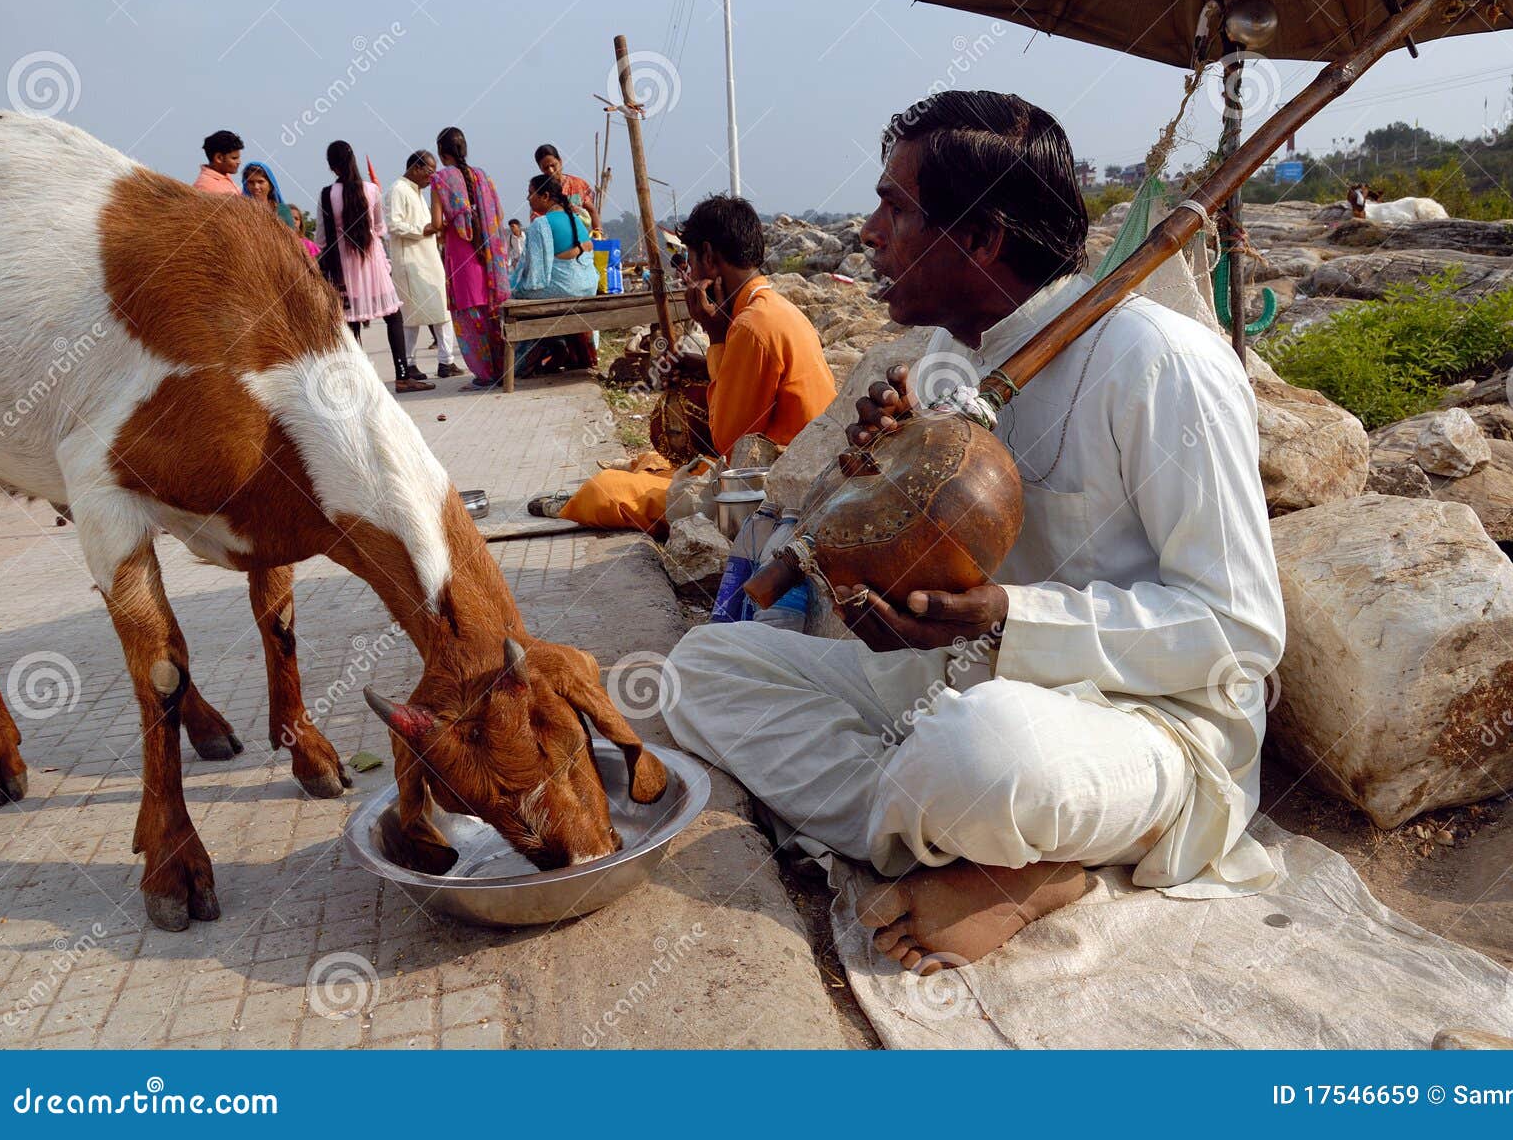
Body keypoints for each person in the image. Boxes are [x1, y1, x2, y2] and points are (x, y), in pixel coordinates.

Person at [660, 91, 1287, 974]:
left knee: (976, 750)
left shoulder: (1159, 361)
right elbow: (923, 576)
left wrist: (1008, 616)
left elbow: (1241, 633)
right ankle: (985, 841)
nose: (871, 232)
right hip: (964, 681)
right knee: (700, 669)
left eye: (898, 208)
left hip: (1150, 726)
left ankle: (1009, 847)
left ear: (985, 238)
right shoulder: (952, 369)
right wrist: (877, 498)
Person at [536, 194, 835, 534]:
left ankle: (576, 503)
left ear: (708, 256)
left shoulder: (750, 326)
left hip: (780, 488)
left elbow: (730, 443)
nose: (688, 273)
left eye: (690, 261)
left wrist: (715, 333)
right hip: (802, 466)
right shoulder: (770, 306)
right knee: (653, 467)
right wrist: (705, 363)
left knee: (608, 490)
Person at [319, 139, 430, 393]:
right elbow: (380, 228)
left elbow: (323, 239)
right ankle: (402, 376)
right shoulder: (371, 190)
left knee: (350, 323)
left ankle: (358, 382)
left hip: (343, 269)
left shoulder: (327, 194)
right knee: (393, 317)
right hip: (373, 265)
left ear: (331, 167)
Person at [431, 126, 510, 390]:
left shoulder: (440, 179)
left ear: (442, 153)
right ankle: (502, 368)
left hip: (461, 254)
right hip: (487, 256)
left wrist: (427, 229)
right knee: (490, 313)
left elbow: (436, 223)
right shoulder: (483, 177)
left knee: (468, 317)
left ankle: (485, 374)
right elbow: (497, 214)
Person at [511, 173, 599, 375]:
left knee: (515, 295)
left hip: (564, 288)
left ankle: (530, 358)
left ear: (545, 196)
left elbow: (534, 277)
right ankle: (561, 348)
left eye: (530, 194)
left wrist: (512, 286)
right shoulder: (575, 218)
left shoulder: (540, 224)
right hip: (587, 287)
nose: (528, 199)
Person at [388, 150, 463, 380]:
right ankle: (409, 365)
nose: (432, 178)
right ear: (416, 168)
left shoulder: (417, 192)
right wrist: (423, 230)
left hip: (428, 260)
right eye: (429, 172)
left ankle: (446, 361)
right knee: (411, 316)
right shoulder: (398, 190)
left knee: (442, 310)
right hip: (410, 262)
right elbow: (393, 225)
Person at [532, 143, 600, 233]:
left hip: (580, 238)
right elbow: (536, 220)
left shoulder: (578, 184)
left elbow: (591, 211)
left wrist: (598, 232)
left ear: (560, 161)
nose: (551, 170)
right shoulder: (540, 191)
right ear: (540, 169)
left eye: (553, 165)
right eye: (546, 168)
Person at [193, 130, 243, 194]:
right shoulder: (205, 186)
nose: (239, 162)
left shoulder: (224, 177)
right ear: (219, 158)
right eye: (234, 158)